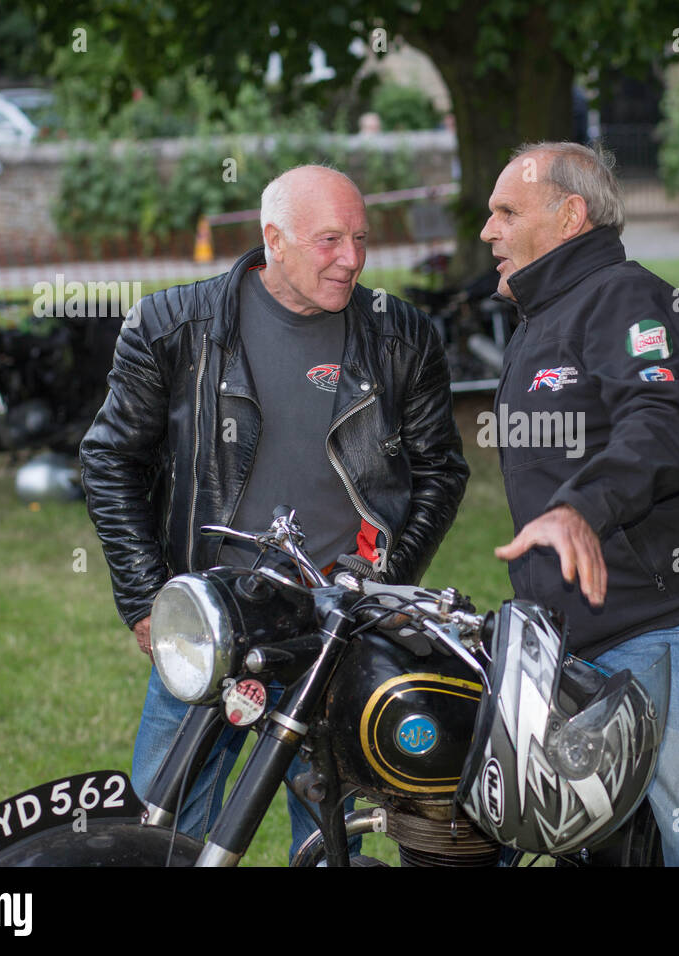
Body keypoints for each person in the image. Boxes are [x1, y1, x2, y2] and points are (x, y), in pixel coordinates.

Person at [79, 165, 469, 855]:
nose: (350, 258)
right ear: (273, 240)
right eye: (328, 240)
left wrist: (377, 583)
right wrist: (146, 600)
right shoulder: (176, 327)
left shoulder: (401, 335)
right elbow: (110, 460)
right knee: (163, 835)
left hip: (338, 630)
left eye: (359, 238)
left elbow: (441, 469)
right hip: (211, 621)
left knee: (329, 844)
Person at [480, 141, 679, 865]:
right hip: (582, 638)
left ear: (570, 214)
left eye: (507, 212)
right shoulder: (541, 319)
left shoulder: (627, 297)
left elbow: (663, 419)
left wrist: (582, 505)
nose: (488, 231)